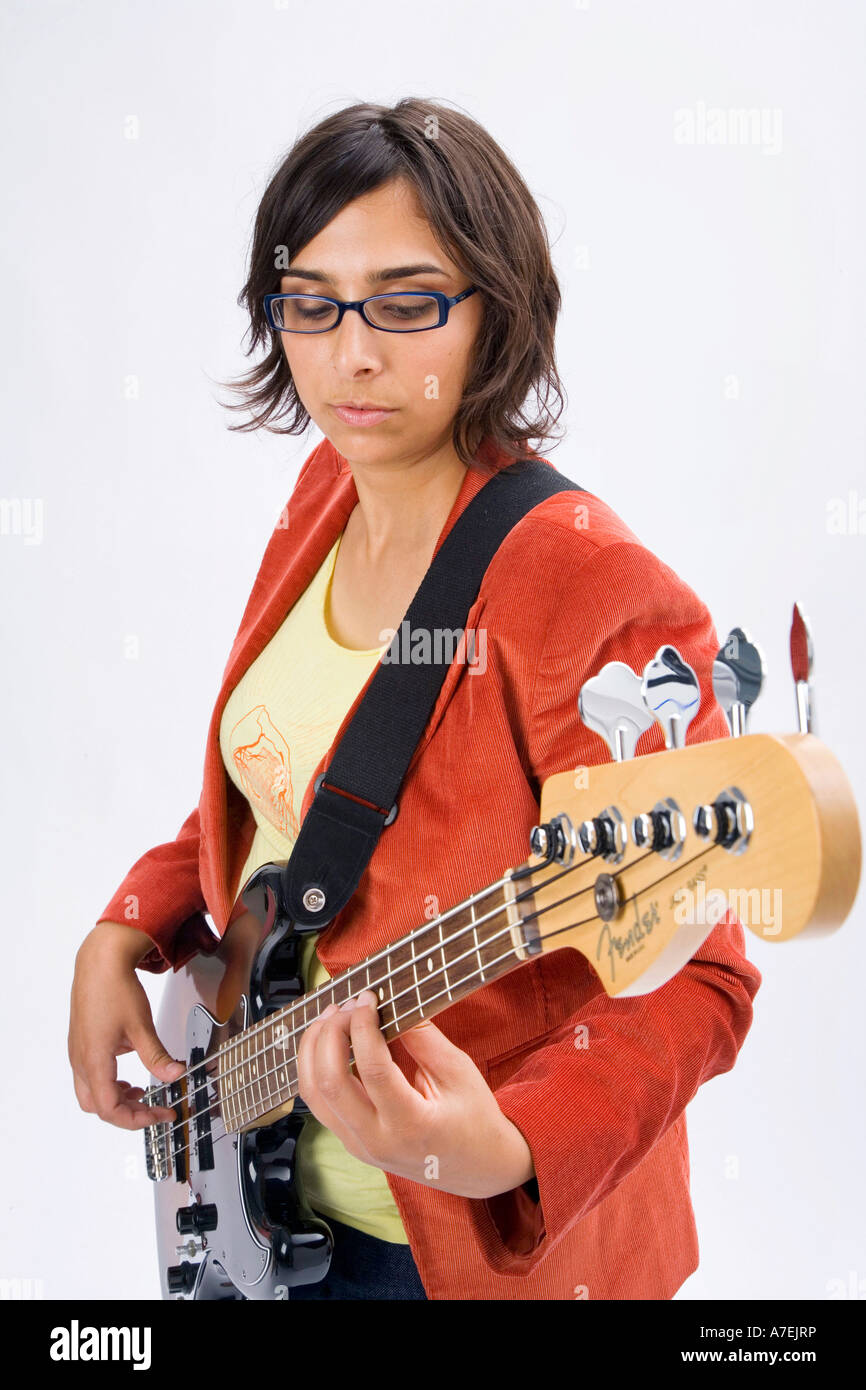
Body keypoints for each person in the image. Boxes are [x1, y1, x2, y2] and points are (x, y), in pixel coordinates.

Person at [68, 98, 762, 1301]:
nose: (354, 354)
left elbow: (703, 974)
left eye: (405, 301)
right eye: (312, 304)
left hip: (469, 1258)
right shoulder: (322, 495)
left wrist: (506, 1149)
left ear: (496, 309)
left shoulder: (594, 590)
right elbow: (280, 790)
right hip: (266, 1213)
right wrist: (132, 918)